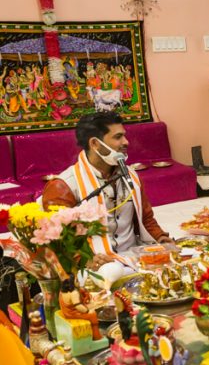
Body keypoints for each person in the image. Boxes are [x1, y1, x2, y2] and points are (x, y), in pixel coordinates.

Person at [42, 112, 170, 261]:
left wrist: (160, 238)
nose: (126, 142)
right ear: (95, 144)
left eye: (124, 135)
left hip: (134, 255)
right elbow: (61, 240)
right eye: (118, 137)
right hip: (95, 264)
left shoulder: (131, 176)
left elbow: (145, 218)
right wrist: (87, 260)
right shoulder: (63, 186)